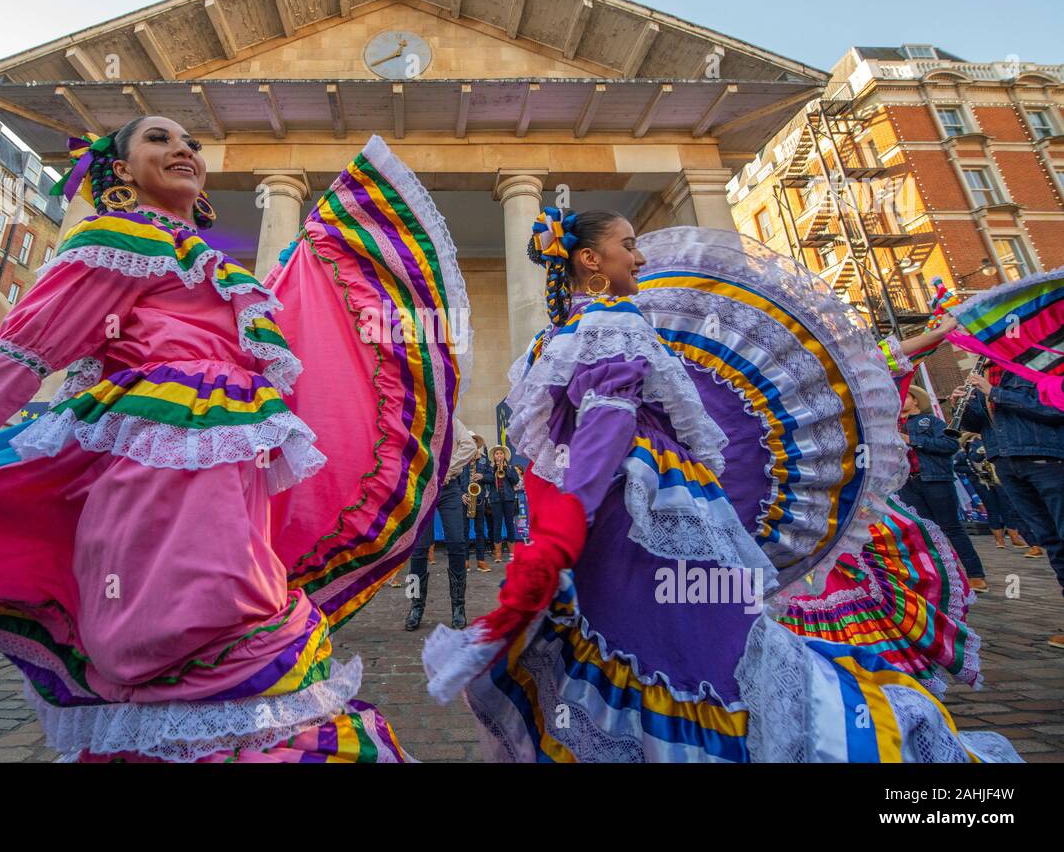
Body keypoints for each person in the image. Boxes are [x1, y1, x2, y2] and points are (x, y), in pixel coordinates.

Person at [0, 119, 471, 761]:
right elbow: (12, 366)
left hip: (232, 508)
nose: (184, 149)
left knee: (246, 666)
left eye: (191, 141)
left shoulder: (216, 271)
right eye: (159, 139)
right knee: (213, 660)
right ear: (122, 171)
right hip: (154, 507)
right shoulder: (114, 243)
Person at [423, 210, 1017, 762]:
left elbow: (595, 433)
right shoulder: (604, 323)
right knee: (680, 641)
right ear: (590, 262)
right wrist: (566, 521)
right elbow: (602, 428)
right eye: (628, 246)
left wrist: (564, 524)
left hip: (640, 511)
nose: (640, 257)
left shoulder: (585, 329)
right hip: (636, 508)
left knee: (677, 642)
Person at [959, 364, 1064, 649]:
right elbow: (976, 425)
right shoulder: (989, 374)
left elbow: (1056, 408)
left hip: (1046, 457)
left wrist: (995, 392)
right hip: (1005, 462)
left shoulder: (1039, 366)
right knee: (1051, 540)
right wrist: (967, 405)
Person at [899, 385, 987, 592]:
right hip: (908, 484)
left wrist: (912, 440)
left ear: (916, 402)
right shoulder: (893, 426)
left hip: (934, 479)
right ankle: (939, 575)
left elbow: (950, 445)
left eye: (906, 396)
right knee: (922, 533)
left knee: (952, 528)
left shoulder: (931, 422)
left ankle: (976, 574)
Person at [404, 418, 477, 631]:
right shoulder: (416, 419)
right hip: (422, 488)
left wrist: (445, 469)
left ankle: (458, 607)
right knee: (417, 550)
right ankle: (415, 606)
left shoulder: (452, 421)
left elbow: (470, 446)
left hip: (449, 487)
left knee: (457, 543)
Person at [486, 444, 524, 562]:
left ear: (504, 455)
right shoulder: (490, 468)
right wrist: (494, 470)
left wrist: (506, 469)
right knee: (497, 525)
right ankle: (498, 554)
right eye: (497, 454)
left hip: (508, 499)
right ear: (494, 456)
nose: (499, 455)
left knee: (509, 524)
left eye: (501, 453)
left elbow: (516, 480)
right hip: (496, 499)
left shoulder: (510, 468)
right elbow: (487, 480)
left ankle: (512, 553)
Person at [463, 434, 491, 571]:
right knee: (464, 531)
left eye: (474, 443)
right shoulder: (461, 460)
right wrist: (461, 494)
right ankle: (465, 561)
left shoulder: (484, 460)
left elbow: (492, 476)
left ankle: (481, 561)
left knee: (480, 531)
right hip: (465, 499)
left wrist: (483, 476)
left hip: (479, 499)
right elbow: (454, 479)